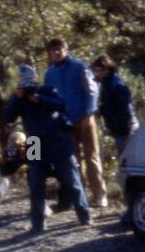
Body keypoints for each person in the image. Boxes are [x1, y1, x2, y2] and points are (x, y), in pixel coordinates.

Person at [3, 64, 90, 234]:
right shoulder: (19, 99)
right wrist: (16, 97)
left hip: (57, 140)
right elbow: (8, 117)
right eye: (22, 79)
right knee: (36, 184)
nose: (26, 83)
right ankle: (38, 225)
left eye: (28, 79)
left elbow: (61, 105)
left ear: (36, 78)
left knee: (72, 181)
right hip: (34, 142)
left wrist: (39, 99)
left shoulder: (47, 90)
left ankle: (85, 217)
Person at [44, 38, 106, 209]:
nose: (56, 52)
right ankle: (79, 197)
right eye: (53, 50)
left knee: (91, 157)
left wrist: (88, 113)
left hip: (84, 118)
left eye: (59, 49)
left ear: (66, 48)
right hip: (65, 122)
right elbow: (49, 98)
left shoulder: (79, 67)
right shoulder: (49, 74)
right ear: (50, 52)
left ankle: (100, 195)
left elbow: (92, 91)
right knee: (72, 160)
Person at [91, 55, 139, 226]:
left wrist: (119, 130)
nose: (97, 73)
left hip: (126, 132)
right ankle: (131, 209)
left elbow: (124, 112)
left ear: (107, 69)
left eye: (99, 70)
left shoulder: (116, 85)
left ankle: (132, 210)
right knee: (127, 171)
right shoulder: (108, 84)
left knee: (128, 172)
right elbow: (111, 106)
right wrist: (102, 111)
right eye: (96, 70)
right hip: (122, 131)